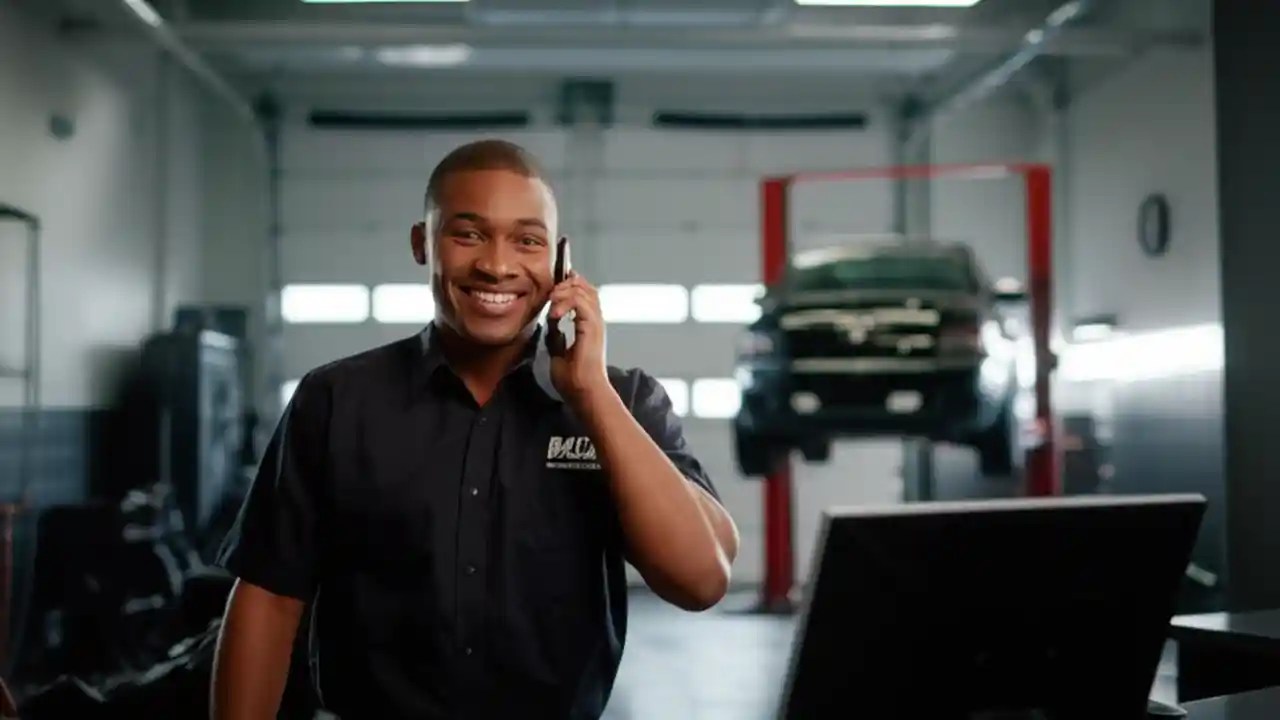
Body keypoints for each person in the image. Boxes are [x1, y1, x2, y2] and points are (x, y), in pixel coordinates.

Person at [210, 139, 739, 719]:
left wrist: (590, 394)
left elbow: (700, 580)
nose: (497, 264)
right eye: (468, 234)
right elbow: (268, 597)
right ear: (423, 244)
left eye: (527, 241)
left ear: (560, 260)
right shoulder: (336, 400)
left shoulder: (625, 400)